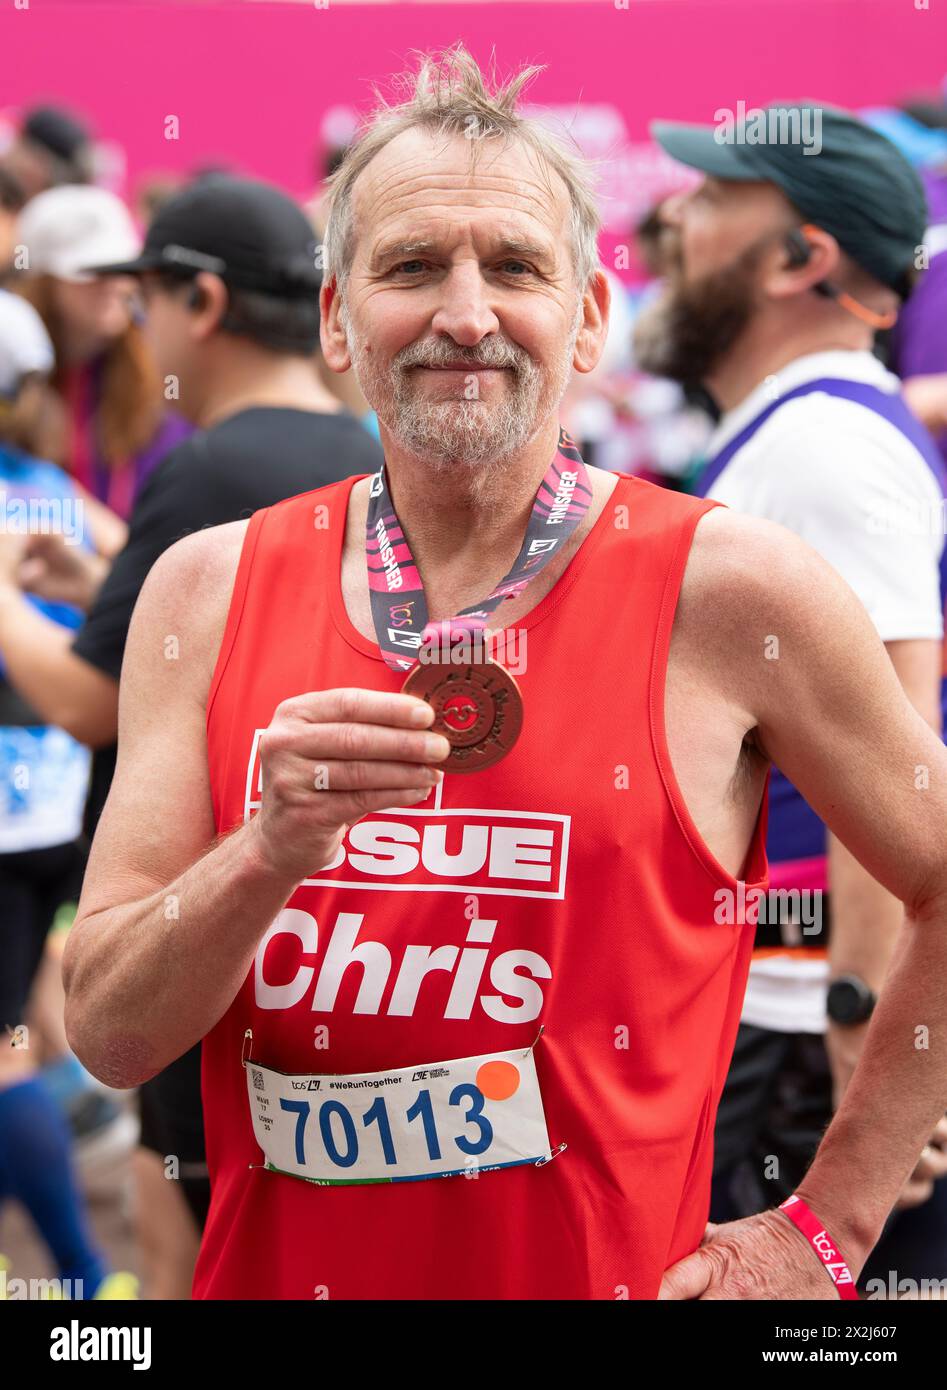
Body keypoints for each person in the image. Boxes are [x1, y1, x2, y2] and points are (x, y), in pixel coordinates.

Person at [63, 47, 947, 1301]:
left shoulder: (734, 590)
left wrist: (827, 1230)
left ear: (589, 315)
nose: (466, 314)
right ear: (333, 319)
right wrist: (264, 852)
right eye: (411, 267)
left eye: (516, 268)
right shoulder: (206, 590)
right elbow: (106, 1033)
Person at [0, 172, 381, 1297]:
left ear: (202, 306)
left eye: (149, 299)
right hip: (347, 925)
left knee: (208, 1225)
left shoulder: (206, 465)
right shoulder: (361, 451)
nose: (136, 327)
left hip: (209, 914)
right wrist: (109, 558)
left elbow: (85, 700)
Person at [635, 103, 947, 1288]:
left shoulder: (821, 446)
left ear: (800, 257)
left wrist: (868, 1045)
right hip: (786, 1005)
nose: (673, 215)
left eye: (715, 199)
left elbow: (899, 756)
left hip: (803, 1021)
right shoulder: (796, 433)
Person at [0, 290, 134, 1300]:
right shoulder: (53, 490)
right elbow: (141, 576)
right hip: (60, 811)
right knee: (28, 1027)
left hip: (9, 827)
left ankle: (80, 1282)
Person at [13, 185, 190, 519]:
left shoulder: (157, 377)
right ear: (42, 281)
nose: (115, 284)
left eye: (124, 269)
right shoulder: (14, 377)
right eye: (93, 271)